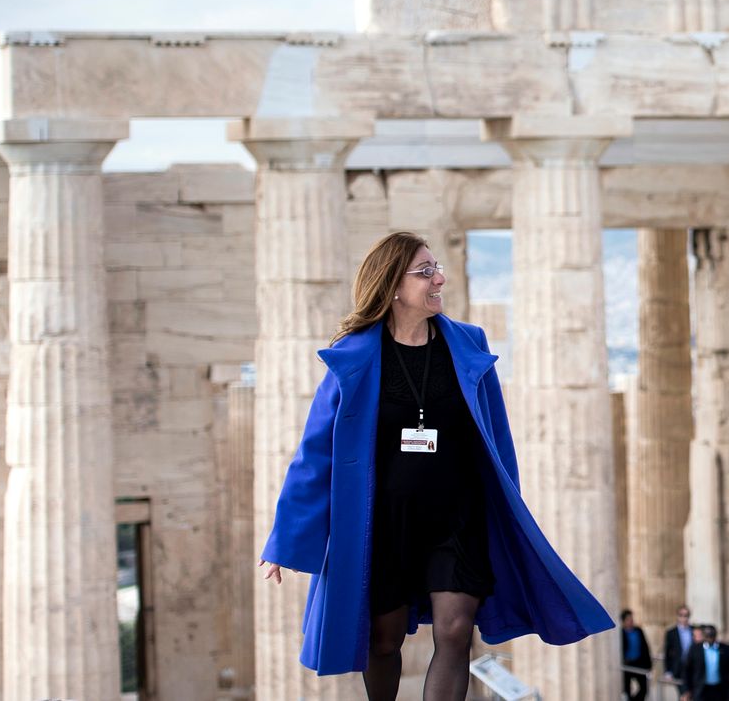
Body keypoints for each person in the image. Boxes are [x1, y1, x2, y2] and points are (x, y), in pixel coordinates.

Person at [259, 232, 613, 700]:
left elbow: (497, 438)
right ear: (391, 285)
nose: (439, 278)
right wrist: (286, 539)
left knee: (455, 631)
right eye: (425, 272)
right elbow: (316, 452)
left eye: (437, 267)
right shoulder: (355, 356)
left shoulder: (468, 343)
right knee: (382, 642)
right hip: (382, 524)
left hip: (457, 519)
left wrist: (508, 516)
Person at [683, 625, 729, 701]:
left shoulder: (725, 649)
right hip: (701, 689)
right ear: (704, 636)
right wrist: (687, 690)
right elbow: (687, 670)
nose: (710, 638)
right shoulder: (695, 649)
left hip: (720, 690)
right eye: (707, 635)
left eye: (711, 635)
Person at [622, 609, 654, 701]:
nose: (631, 621)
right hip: (626, 665)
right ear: (624, 621)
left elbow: (645, 646)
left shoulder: (638, 630)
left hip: (639, 663)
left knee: (644, 688)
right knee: (627, 690)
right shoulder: (621, 633)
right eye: (628, 619)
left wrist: (649, 664)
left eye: (632, 618)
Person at [664, 605, 695, 685]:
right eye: (681, 615)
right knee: (683, 693)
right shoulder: (671, 633)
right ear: (677, 616)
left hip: (692, 667)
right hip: (678, 668)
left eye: (686, 615)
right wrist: (668, 671)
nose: (684, 618)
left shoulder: (694, 630)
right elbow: (667, 653)